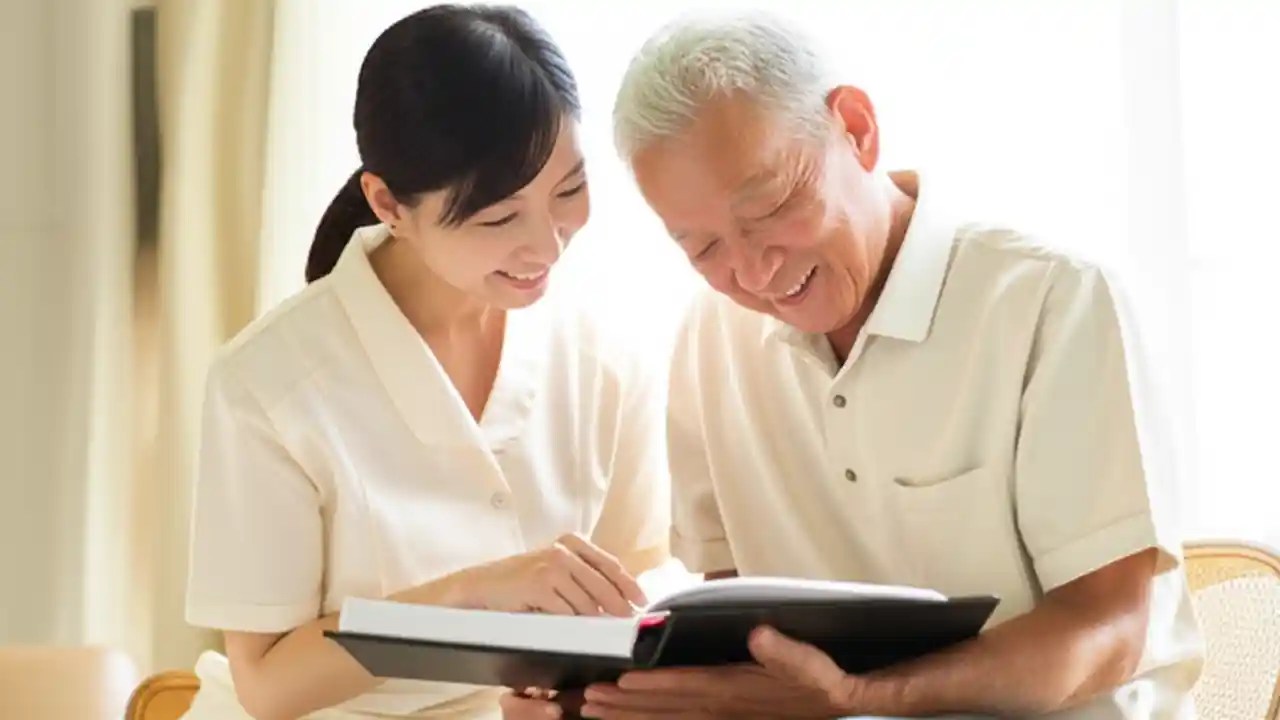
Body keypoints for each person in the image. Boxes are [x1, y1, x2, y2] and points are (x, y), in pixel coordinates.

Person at [503, 11, 1203, 720]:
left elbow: (1109, 628)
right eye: (703, 249)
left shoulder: (1050, 303)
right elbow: (738, 629)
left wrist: (863, 698)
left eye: (770, 207)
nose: (754, 272)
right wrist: (589, 697)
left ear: (857, 129)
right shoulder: (711, 340)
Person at [181, 5, 671, 720]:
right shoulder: (268, 384)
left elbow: (637, 581)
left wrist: (564, 692)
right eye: (500, 218)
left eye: (568, 190)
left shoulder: (603, 356)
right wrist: (467, 596)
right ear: (388, 203)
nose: (548, 245)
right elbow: (269, 683)